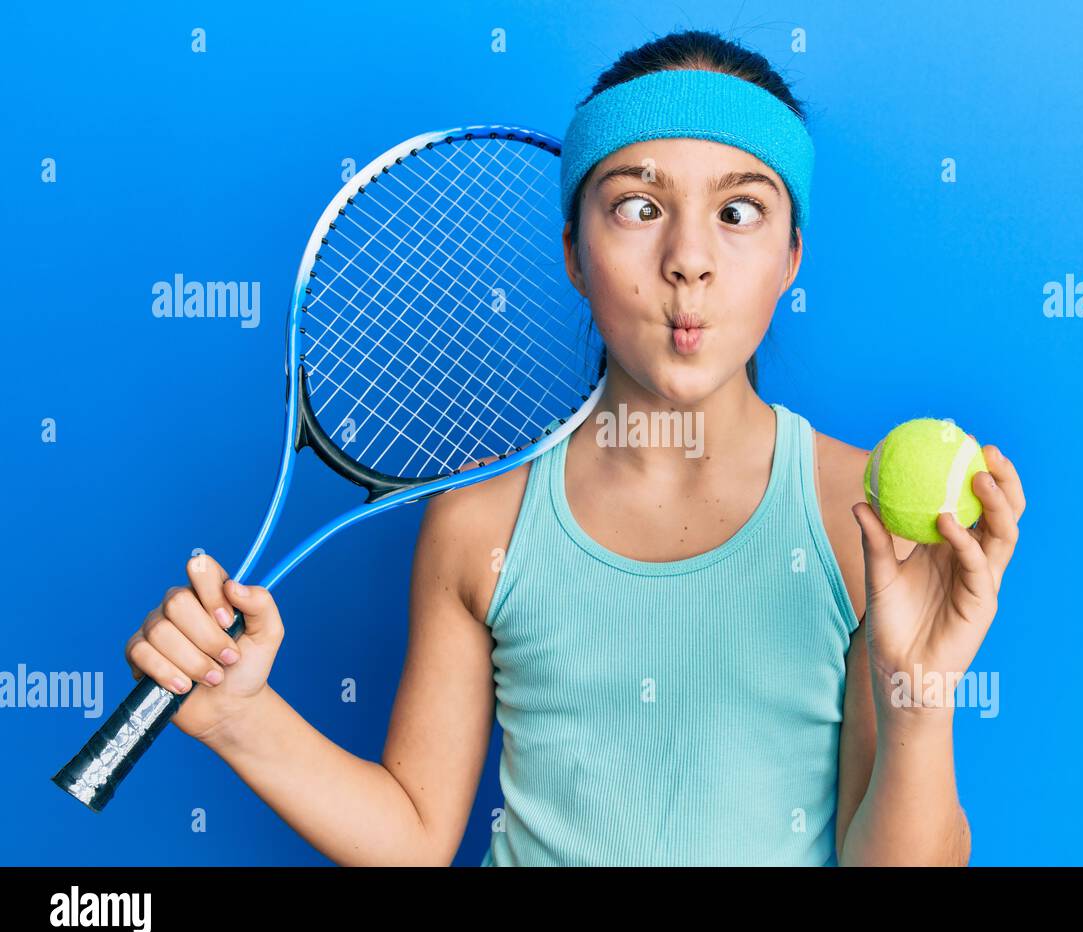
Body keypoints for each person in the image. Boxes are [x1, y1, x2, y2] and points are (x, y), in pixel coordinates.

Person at [124, 28, 1026, 866]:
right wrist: (243, 717)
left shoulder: (856, 515)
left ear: (793, 257)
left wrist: (919, 695)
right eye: (638, 205)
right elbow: (413, 833)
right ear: (572, 252)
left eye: (739, 212)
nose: (688, 259)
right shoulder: (478, 522)